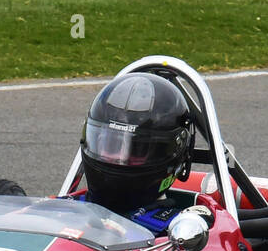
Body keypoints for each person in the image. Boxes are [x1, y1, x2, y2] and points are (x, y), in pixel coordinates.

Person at [77, 72, 197, 234]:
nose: (118, 158)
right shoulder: (65, 209)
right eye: (110, 144)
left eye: (136, 150)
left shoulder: (181, 231)